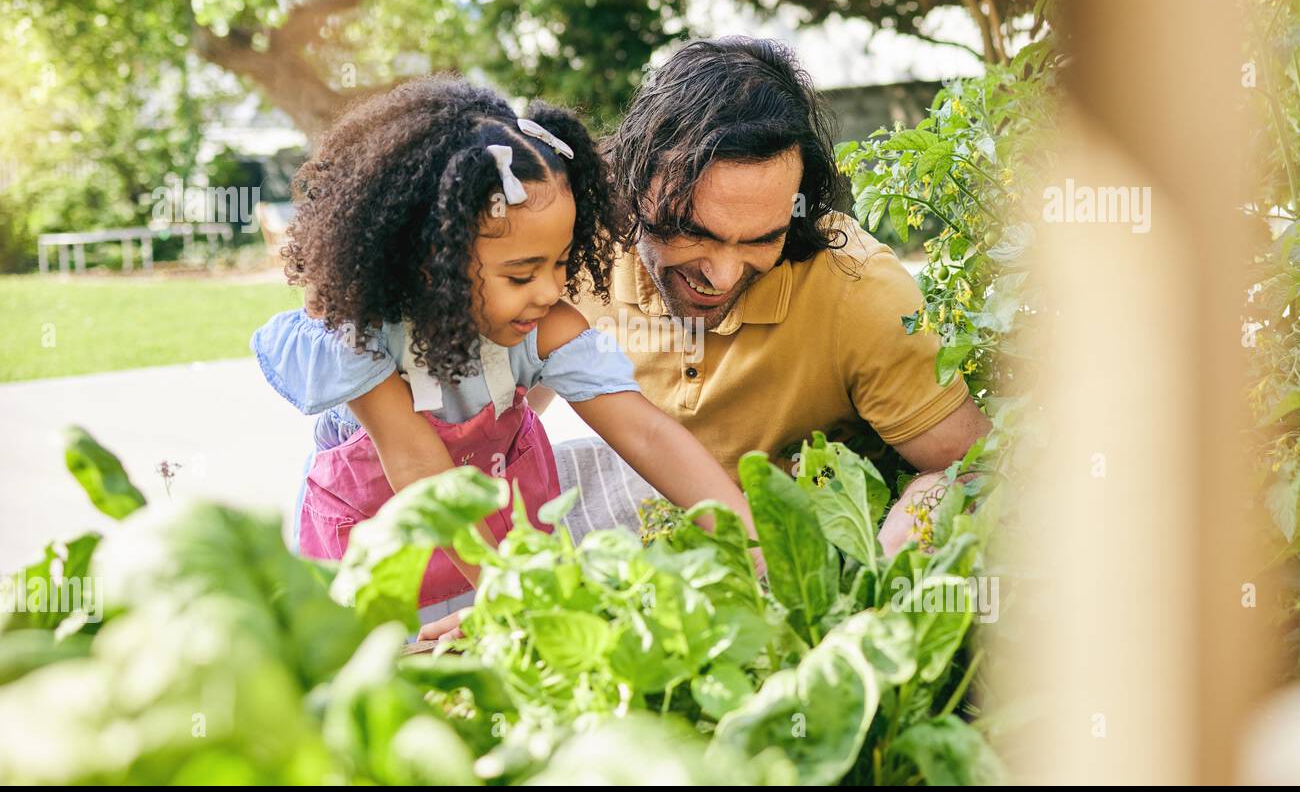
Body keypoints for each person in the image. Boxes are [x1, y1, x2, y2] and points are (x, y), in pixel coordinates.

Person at [249, 76, 757, 629]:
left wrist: (752, 546)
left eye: (560, 263)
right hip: (383, 559)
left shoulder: (549, 327)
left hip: (497, 554)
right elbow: (421, 469)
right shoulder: (360, 342)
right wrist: (508, 600)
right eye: (520, 273)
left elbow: (646, 434)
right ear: (431, 263)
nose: (548, 290)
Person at [533, 36, 990, 555]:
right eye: (694, 232)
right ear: (636, 181)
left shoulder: (858, 291)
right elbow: (496, 425)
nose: (723, 276)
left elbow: (963, 467)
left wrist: (874, 582)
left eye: (761, 239)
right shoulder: (572, 248)